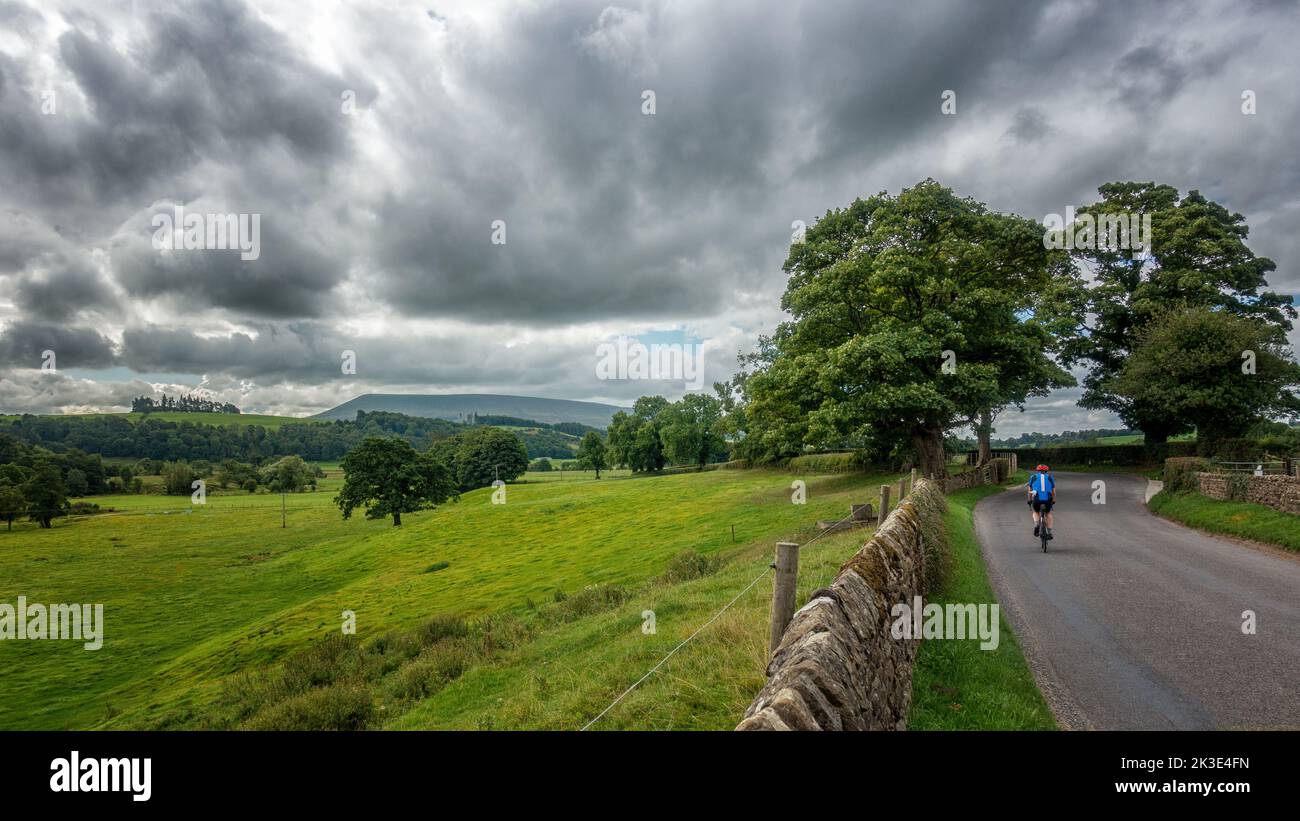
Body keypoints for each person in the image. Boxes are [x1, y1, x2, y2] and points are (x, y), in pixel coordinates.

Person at [1027, 464, 1055, 539]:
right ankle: (1049, 532)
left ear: (1037, 470)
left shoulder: (1033, 477)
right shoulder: (1050, 477)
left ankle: (1036, 524)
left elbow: (1029, 490)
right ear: (1046, 471)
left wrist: (1029, 500)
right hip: (1047, 499)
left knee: (1036, 512)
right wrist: (1054, 499)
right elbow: (1053, 490)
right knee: (1048, 513)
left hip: (1037, 499)